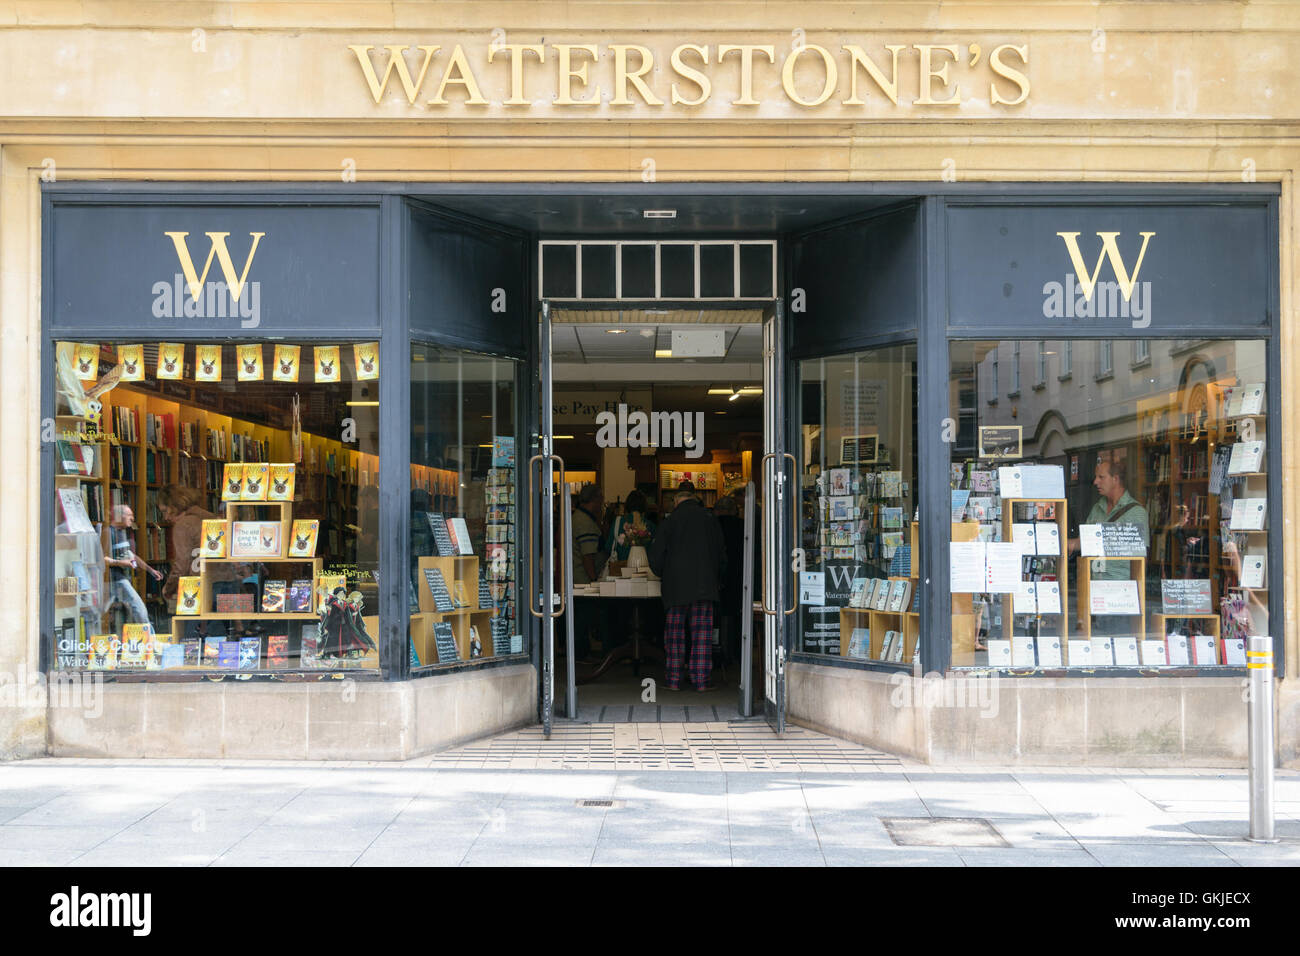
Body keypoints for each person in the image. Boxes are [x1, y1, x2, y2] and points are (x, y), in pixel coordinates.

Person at [649, 481, 726, 692]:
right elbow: (721, 555)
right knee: (702, 635)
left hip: (676, 587)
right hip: (705, 585)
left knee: (675, 635)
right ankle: (701, 679)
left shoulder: (670, 521)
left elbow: (656, 558)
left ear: (676, 501)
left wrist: (663, 574)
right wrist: (716, 579)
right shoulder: (710, 519)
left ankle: (674, 679)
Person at [1067, 454, 1150, 636]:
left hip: (1119, 594)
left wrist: (1076, 543)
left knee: (1117, 644)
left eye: (1101, 477)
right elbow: (1087, 541)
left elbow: (1139, 556)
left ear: (1116, 479)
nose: (1096, 482)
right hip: (1092, 590)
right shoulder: (1097, 508)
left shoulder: (1136, 513)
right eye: (1096, 477)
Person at [106, 503, 162, 625]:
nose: (132, 518)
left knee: (122, 612)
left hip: (123, 578)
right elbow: (101, 558)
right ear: (119, 516)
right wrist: (120, 562)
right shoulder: (107, 533)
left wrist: (150, 570)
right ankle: (149, 637)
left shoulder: (122, 532)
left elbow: (131, 555)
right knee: (138, 606)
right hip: (114, 579)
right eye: (129, 515)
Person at [570, 484, 608, 661]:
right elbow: (588, 556)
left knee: (580, 617)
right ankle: (581, 653)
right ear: (595, 499)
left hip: (575, 577)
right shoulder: (585, 523)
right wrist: (594, 580)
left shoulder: (576, 517)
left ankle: (578, 653)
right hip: (583, 580)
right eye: (601, 499)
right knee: (585, 617)